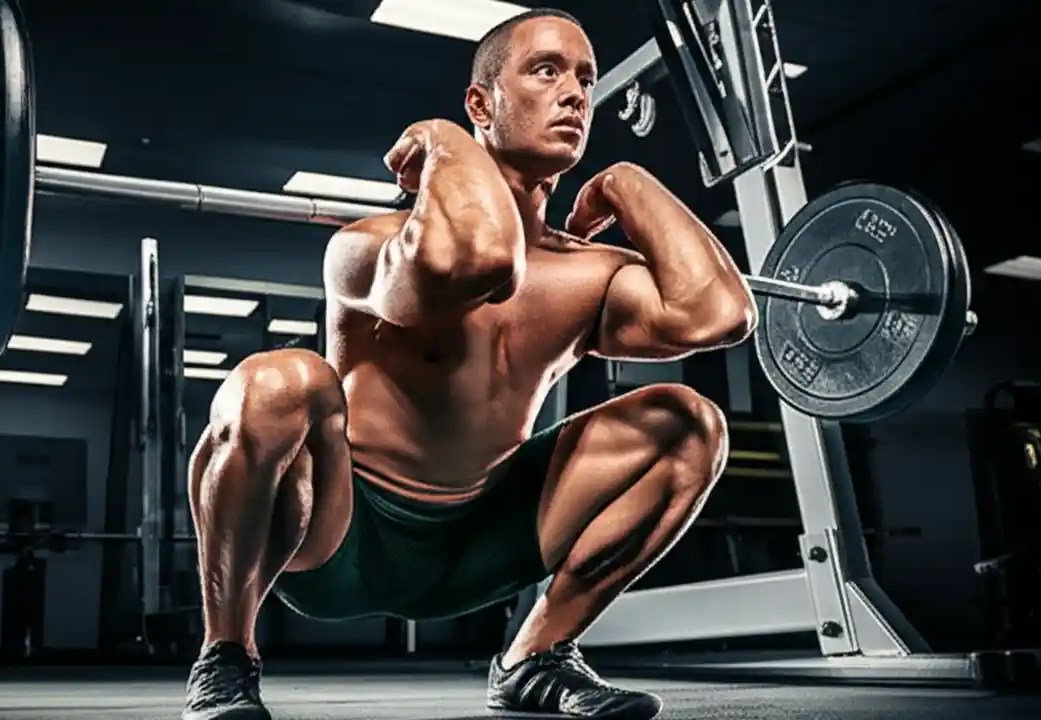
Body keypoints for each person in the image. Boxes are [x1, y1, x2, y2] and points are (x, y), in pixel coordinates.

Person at [181, 8, 756, 720]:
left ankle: (536, 656)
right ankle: (225, 655)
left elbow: (718, 314)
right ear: (482, 104)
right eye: (546, 71)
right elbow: (477, 260)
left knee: (689, 423)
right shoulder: (369, 245)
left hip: (483, 540)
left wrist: (629, 183)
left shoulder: (591, 274)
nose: (575, 94)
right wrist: (445, 139)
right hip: (341, 537)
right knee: (277, 382)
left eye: (585, 79)